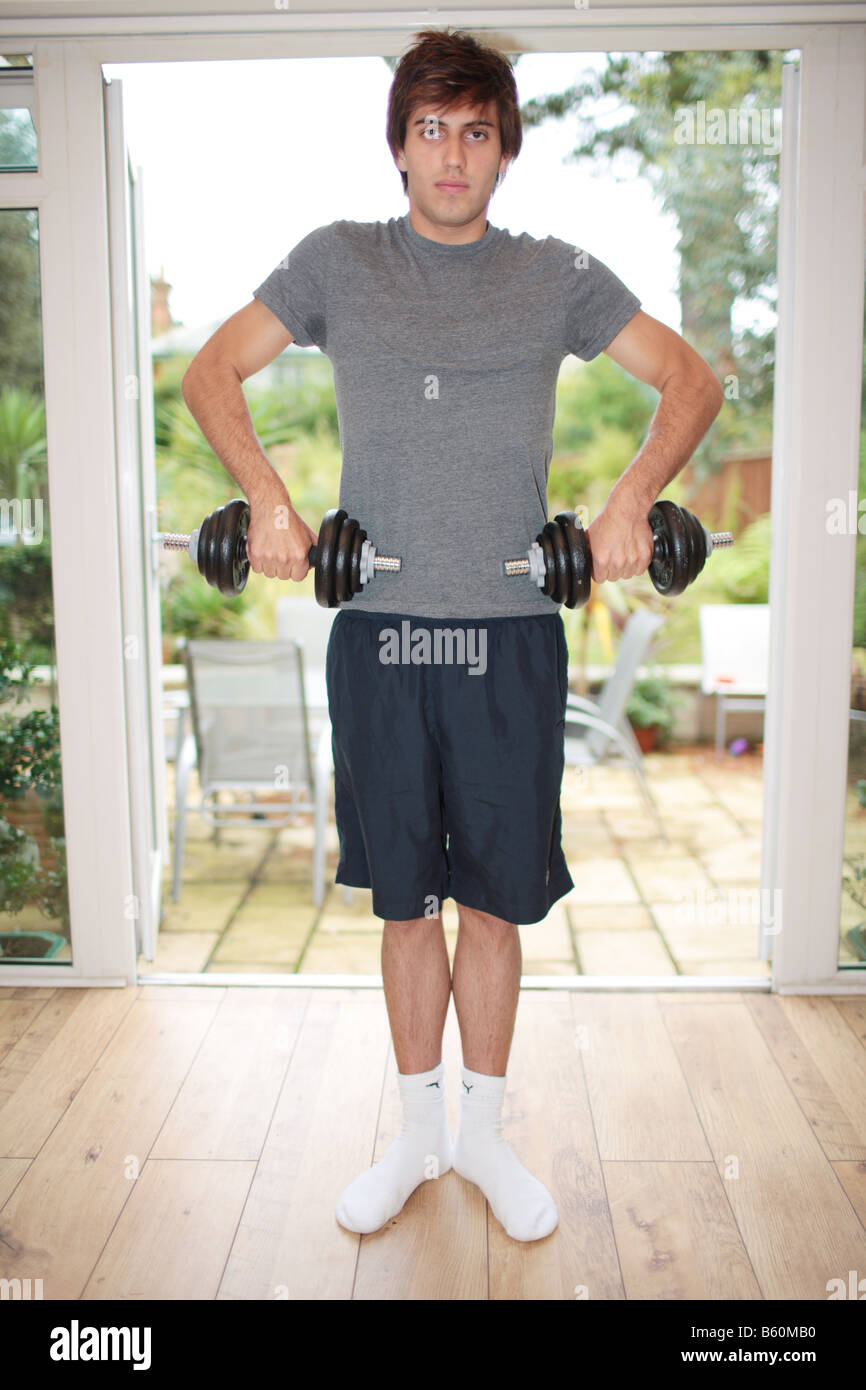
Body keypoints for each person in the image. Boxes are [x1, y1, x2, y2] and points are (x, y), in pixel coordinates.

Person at [180, 27, 723, 1243]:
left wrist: (629, 501)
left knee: (493, 903)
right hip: (376, 636)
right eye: (429, 128)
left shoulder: (556, 275)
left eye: (476, 131)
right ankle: (416, 1134)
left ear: (504, 151)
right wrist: (267, 500)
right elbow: (211, 372)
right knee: (403, 904)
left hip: (511, 640)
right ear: (397, 144)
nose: (451, 153)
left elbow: (689, 381)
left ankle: (482, 1134)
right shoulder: (336, 260)